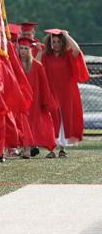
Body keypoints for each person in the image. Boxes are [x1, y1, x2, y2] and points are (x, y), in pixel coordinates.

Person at [39, 29, 90, 157]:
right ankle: (51, 149)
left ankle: (62, 148)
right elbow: (36, 63)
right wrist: (41, 50)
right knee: (52, 118)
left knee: (65, 119)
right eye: (53, 41)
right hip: (51, 91)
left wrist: (66, 35)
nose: (56, 44)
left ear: (63, 43)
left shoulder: (67, 55)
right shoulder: (46, 56)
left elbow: (77, 50)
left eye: (58, 42)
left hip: (67, 91)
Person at [18, 38, 57, 156]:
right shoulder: (15, 64)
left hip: (34, 99)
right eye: (21, 48)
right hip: (20, 98)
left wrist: (45, 100)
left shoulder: (37, 66)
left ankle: (28, 149)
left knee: (33, 123)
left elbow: (44, 84)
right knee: (23, 122)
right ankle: (26, 149)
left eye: (25, 48)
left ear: (30, 50)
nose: (23, 51)